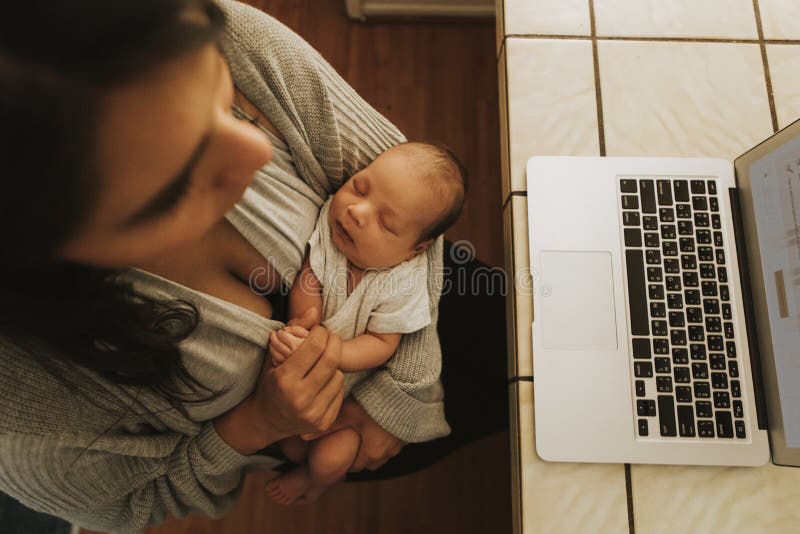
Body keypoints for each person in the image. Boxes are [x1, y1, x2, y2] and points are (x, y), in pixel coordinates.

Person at [0, 0, 507, 532]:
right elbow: (137, 503)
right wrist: (258, 422)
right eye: (178, 184)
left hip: (441, 296)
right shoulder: (26, 416)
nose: (257, 154)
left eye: (223, 101)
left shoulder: (142, 23)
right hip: (328, 437)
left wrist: (405, 388)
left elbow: (420, 199)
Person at [266, 142, 467, 505]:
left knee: (330, 458)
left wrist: (334, 353)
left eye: (385, 223)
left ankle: (318, 482)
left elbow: (382, 343)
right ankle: (304, 465)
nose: (357, 211)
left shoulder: (403, 282)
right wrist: (302, 326)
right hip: (317, 375)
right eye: (360, 186)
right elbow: (309, 278)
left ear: (415, 249)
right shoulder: (334, 226)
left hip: (361, 387)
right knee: (291, 444)